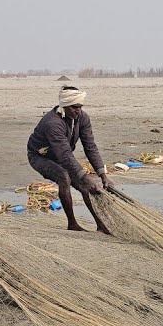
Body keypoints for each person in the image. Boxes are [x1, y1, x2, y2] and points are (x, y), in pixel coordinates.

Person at [26, 85, 112, 234]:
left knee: (87, 185)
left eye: (80, 107)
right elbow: (65, 155)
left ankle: (101, 225)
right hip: (39, 156)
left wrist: (103, 175)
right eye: (74, 107)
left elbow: (90, 146)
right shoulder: (52, 123)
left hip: (60, 155)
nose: (78, 110)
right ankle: (72, 223)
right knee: (64, 177)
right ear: (64, 106)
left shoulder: (82, 118)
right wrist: (84, 177)